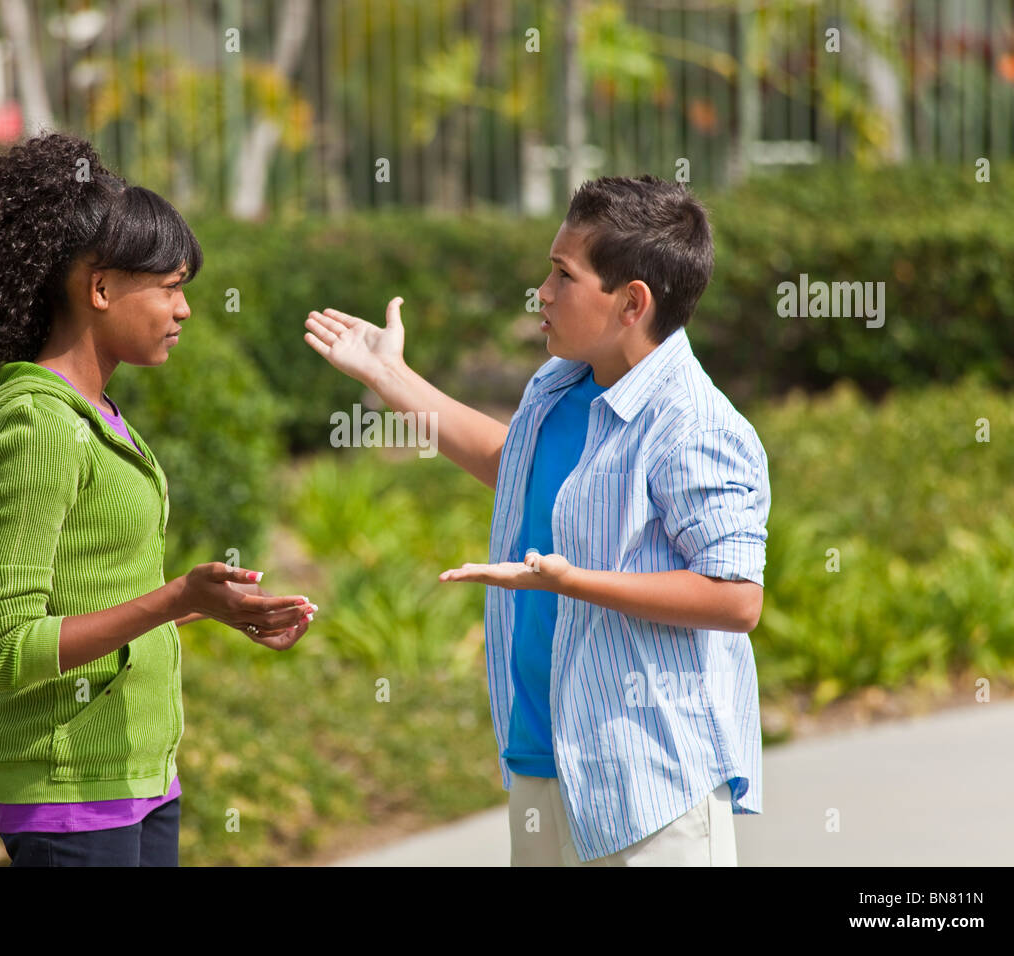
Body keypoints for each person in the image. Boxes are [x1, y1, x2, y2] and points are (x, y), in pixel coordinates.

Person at [303, 175, 769, 866]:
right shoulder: (561, 385)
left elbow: (736, 598)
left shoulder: (694, 423)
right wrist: (389, 377)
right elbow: (514, 466)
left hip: (650, 782)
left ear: (630, 303)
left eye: (562, 275)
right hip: (541, 757)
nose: (542, 293)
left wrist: (568, 580)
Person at [0, 132, 316, 866]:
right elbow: (4, 649)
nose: (185, 310)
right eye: (170, 287)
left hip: (137, 775)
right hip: (67, 788)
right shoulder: (41, 427)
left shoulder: (98, 415)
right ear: (101, 289)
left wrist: (212, 606)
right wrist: (177, 599)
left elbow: (106, 588)